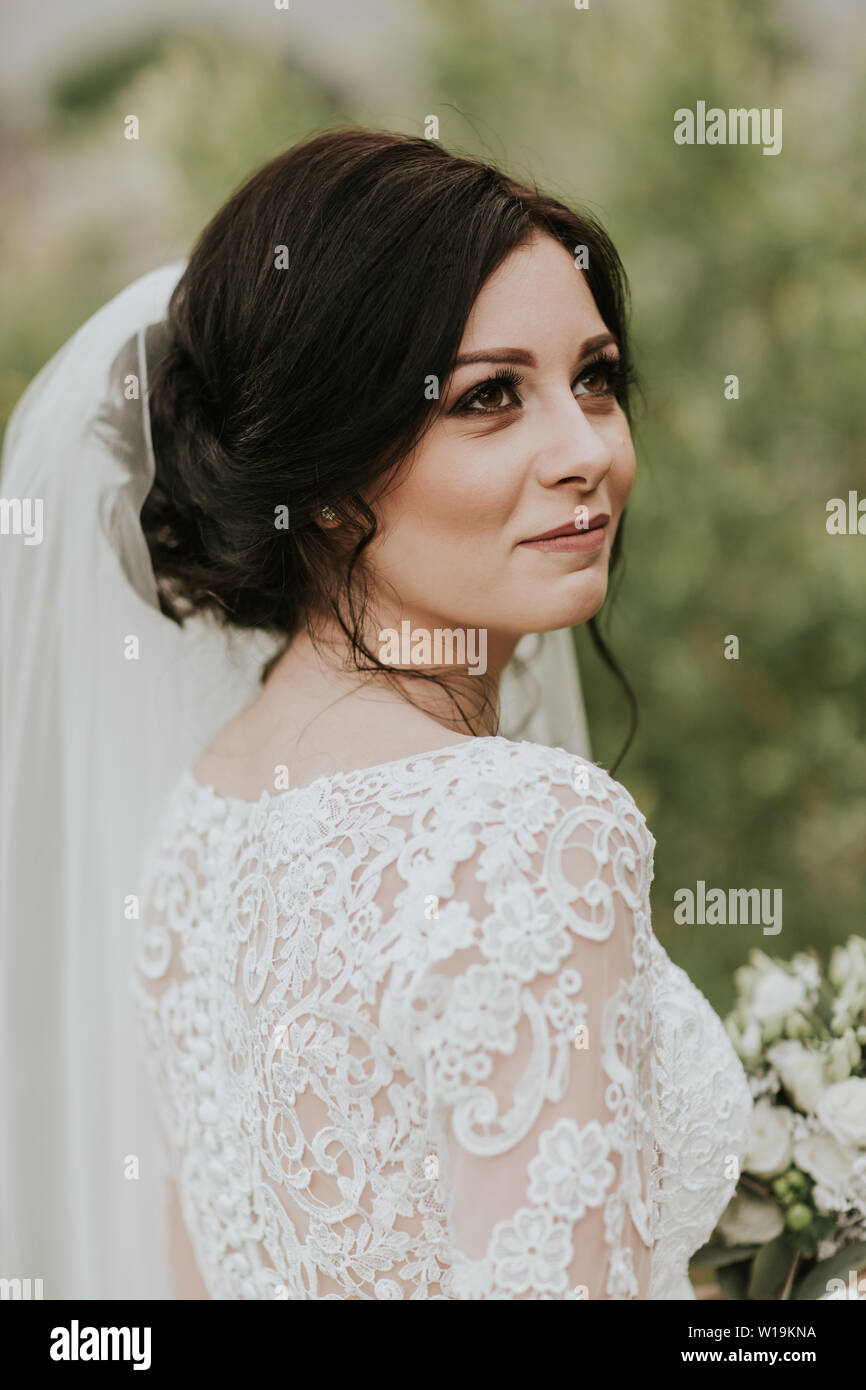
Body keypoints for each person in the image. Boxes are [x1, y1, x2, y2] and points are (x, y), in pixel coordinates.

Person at [0, 129, 753, 1300]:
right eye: (490, 397)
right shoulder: (528, 832)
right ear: (332, 473)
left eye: (593, 377)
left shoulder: (204, 823)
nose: (586, 452)